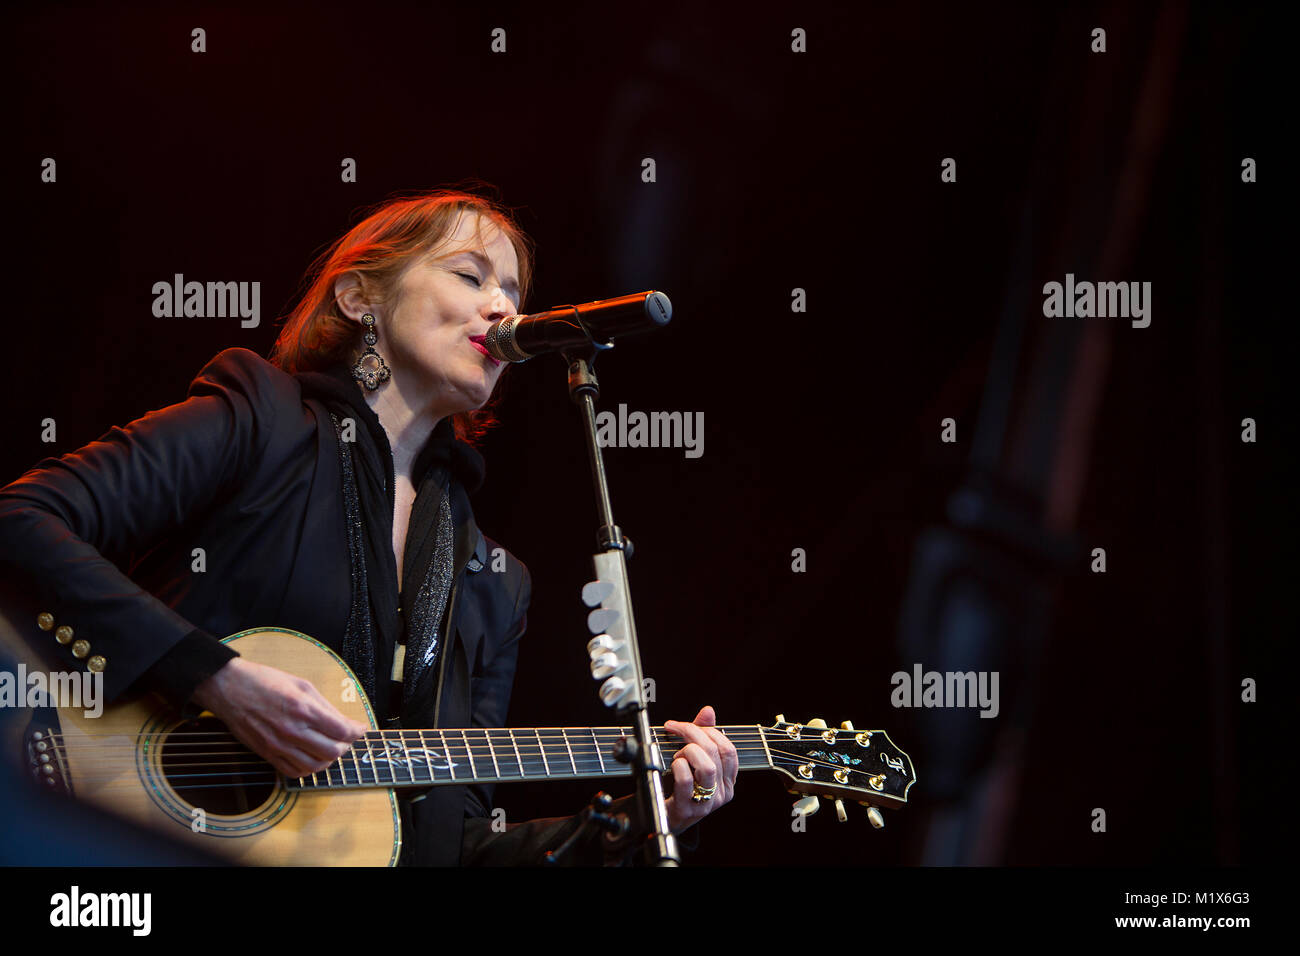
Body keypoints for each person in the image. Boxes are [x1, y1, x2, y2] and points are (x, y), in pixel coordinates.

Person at [0, 188, 736, 865]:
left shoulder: (492, 581)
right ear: (359, 298)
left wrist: (649, 819)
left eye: (513, 292)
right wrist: (212, 676)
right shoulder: (260, 421)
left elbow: (452, 846)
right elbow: (21, 520)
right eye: (471, 276)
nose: (501, 307)